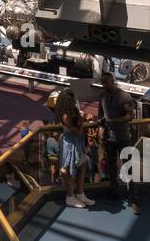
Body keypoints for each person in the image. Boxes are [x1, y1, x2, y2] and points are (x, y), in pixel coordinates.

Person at [99, 72, 138, 212]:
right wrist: (101, 122)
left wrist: (114, 121)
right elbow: (101, 114)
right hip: (109, 138)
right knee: (111, 166)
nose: (104, 85)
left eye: (106, 82)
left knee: (128, 167)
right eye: (103, 83)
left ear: (112, 81)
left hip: (123, 138)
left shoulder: (124, 96)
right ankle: (114, 192)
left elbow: (130, 116)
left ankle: (133, 198)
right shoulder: (102, 95)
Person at [58, 108, 93, 209]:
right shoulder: (65, 115)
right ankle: (70, 197)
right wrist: (82, 119)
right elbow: (76, 131)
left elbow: (79, 129)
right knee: (70, 171)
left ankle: (80, 194)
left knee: (82, 165)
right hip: (69, 145)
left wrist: (81, 118)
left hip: (77, 144)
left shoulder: (72, 112)